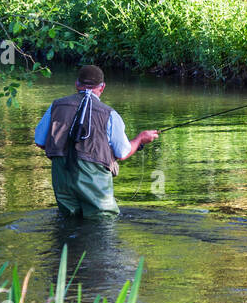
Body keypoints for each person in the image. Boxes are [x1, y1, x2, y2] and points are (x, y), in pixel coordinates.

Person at [33, 64, 158, 216]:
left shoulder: (56, 106)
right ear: (102, 87)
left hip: (62, 174)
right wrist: (140, 139)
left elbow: (40, 141)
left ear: (77, 84)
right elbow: (122, 153)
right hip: (94, 178)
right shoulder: (109, 114)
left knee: (68, 222)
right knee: (102, 223)